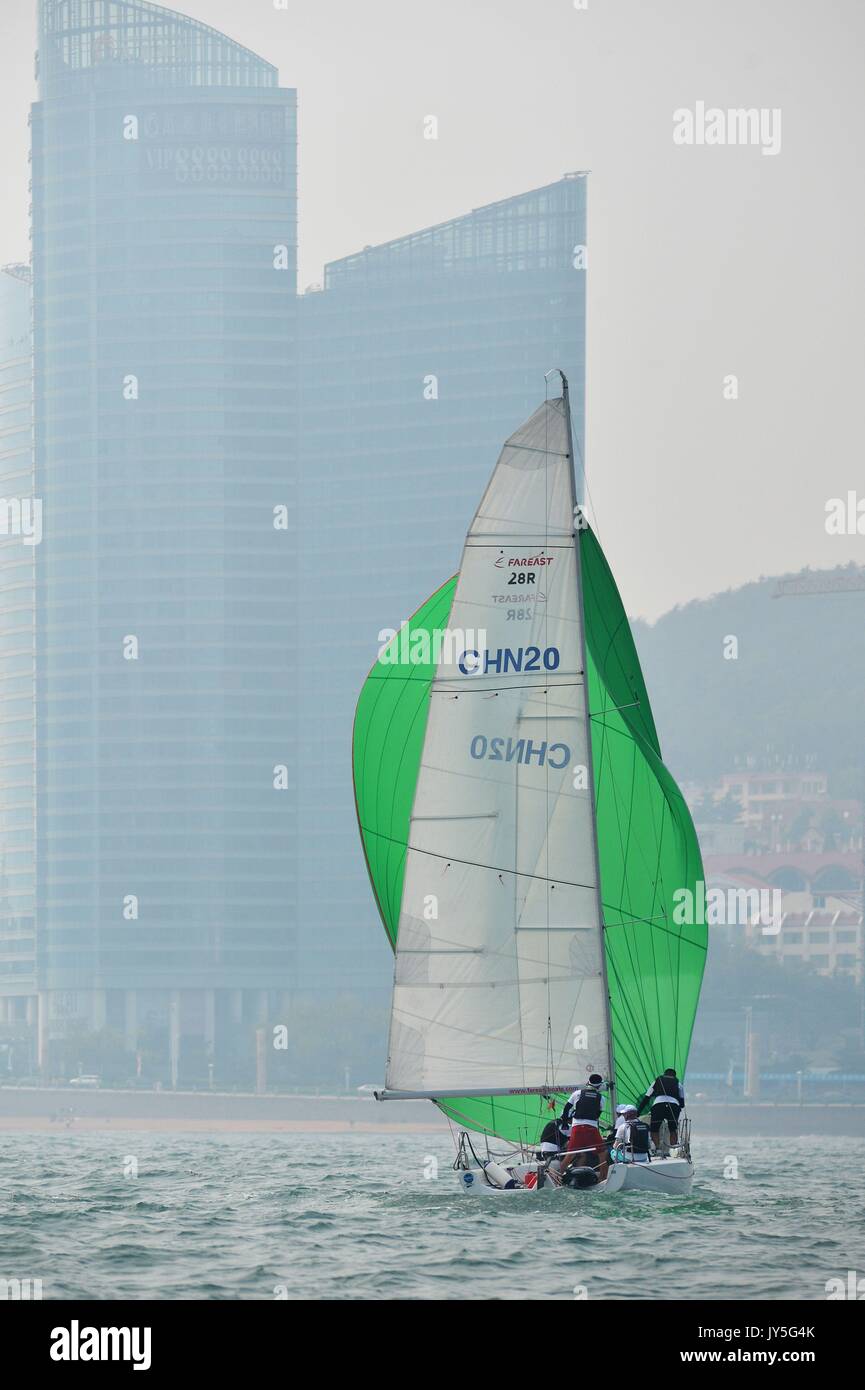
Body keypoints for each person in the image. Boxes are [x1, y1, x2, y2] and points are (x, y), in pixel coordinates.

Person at [560, 1073, 609, 1180]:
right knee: (602, 1153)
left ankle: (557, 1178)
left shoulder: (577, 1093)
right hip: (591, 1127)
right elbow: (597, 1115)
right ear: (600, 1085)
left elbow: (566, 1109)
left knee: (570, 1154)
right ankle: (602, 1178)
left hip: (576, 1127)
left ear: (588, 1082)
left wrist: (564, 1123)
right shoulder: (601, 1098)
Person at [636, 1067, 685, 1146]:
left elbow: (647, 1098)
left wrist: (638, 1112)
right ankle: (674, 1148)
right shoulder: (678, 1084)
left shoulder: (657, 1081)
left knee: (654, 1130)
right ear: (674, 1076)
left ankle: (657, 1149)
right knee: (673, 1130)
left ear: (664, 1074)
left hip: (659, 1106)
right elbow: (682, 1104)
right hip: (673, 1106)